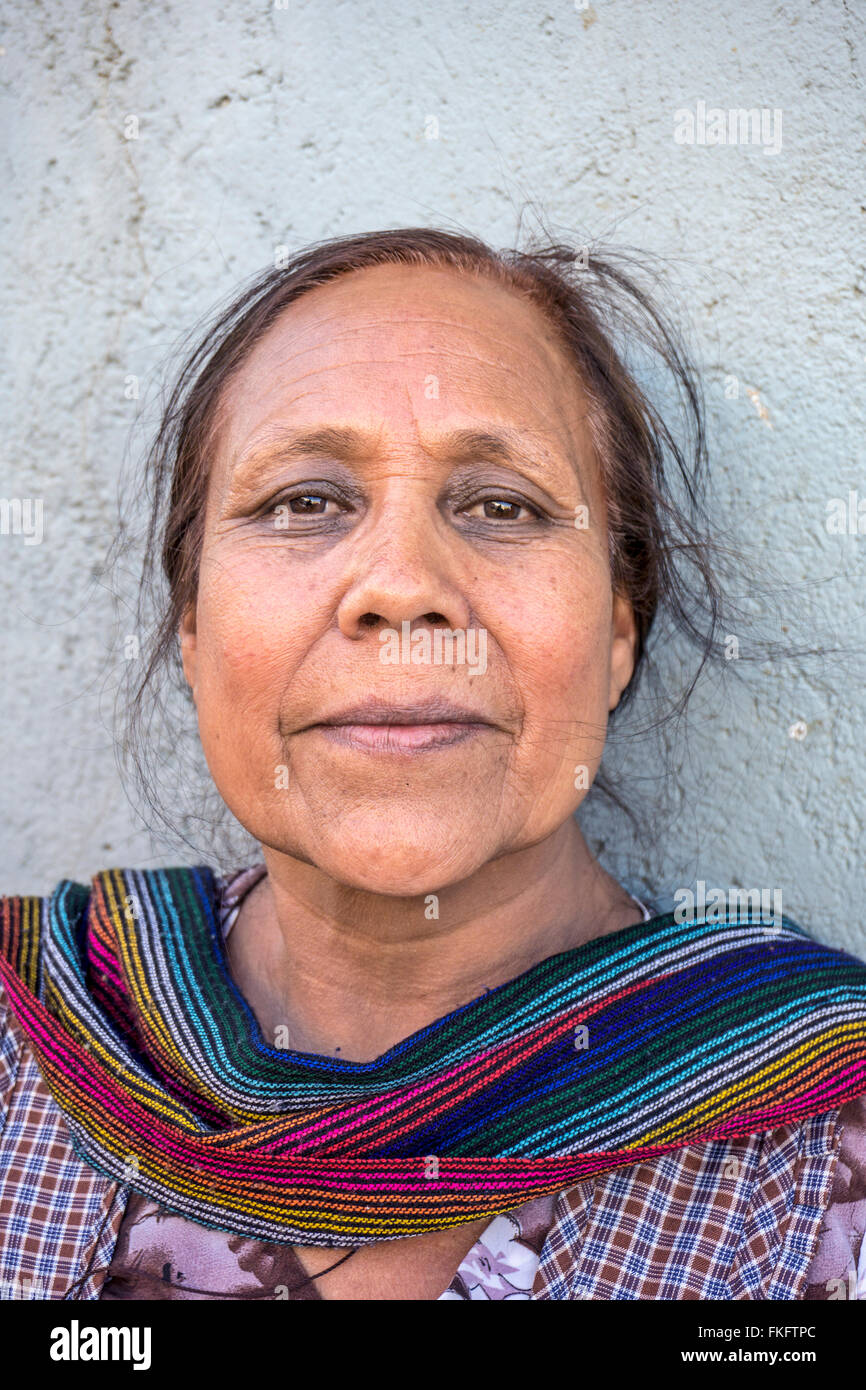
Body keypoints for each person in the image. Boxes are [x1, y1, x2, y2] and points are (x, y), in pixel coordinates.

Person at [1, 227, 865, 1301]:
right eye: (302, 501)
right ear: (191, 628)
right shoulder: (32, 1038)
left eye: (501, 505)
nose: (402, 586)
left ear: (614, 630)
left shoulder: (821, 1146)